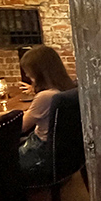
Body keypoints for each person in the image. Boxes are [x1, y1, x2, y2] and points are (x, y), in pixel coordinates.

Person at [18, 45, 75, 178]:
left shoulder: (45, 97)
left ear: (39, 72)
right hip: (63, 153)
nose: (27, 74)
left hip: (41, 153)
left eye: (29, 71)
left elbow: (21, 127)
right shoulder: (67, 88)